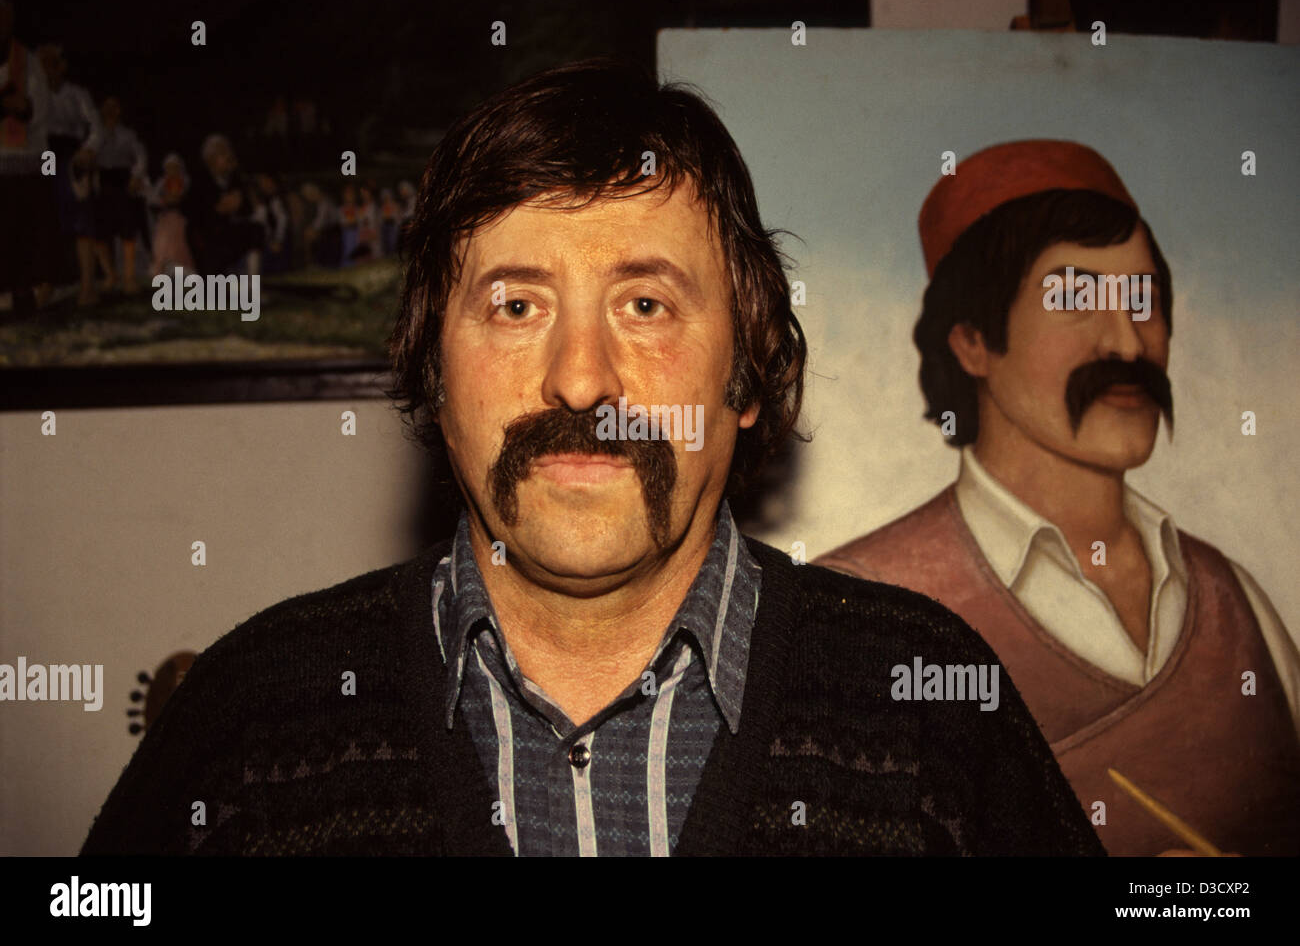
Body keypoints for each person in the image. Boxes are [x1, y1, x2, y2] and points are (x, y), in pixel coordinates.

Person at [81, 61, 1100, 857]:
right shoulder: (252, 718)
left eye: (645, 305)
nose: (579, 381)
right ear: (436, 372)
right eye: (515, 305)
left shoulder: (928, 707)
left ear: (746, 377)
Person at [817, 140, 1300, 856]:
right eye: (1077, 299)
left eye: (1143, 300)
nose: (1128, 343)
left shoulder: (1238, 603)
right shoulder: (851, 610)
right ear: (973, 340)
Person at [0, 0, 55, 314]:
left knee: (21, 230)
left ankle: (24, 293)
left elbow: (39, 108)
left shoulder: (28, 61)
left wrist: (25, 108)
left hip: (24, 161)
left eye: (5, 17)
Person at [36, 42, 99, 301]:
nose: (47, 69)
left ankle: (87, 286)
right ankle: (46, 284)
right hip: (45, 153)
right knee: (47, 216)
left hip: (73, 154)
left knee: (81, 216)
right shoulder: (36, 95)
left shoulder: (77, 94)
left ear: (61, 66)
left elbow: (95, 126)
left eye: (52, 63)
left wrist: (88, 150)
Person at [184, 133, 263, 276]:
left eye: (228, 152)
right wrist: (217, 209)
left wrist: (239, 204)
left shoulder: (234, 178)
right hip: (206, 238)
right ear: (210, 159)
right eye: (222, 153)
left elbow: (247, 209)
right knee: (212, 280)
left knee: (256, 231)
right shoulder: (199, 180)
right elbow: (193, 213)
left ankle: (252, 284)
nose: (228, 157)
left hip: (226, 234)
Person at [91, 95, 148, 294]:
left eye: (114, 106)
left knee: (128, 232)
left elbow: (140, 156)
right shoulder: (94, 134)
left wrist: (136, 175)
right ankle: (110, 274)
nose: (110, 110)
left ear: (119, 110)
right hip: (103, 182)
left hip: (124, 181)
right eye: (106, 106)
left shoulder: (128, 135)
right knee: (99, 233)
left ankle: (129, 277)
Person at [147, 152, 194, 277]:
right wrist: (164, 200)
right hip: (165, 218)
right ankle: (162, 268)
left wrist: (179, 199)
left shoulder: (186, 181)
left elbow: (190, 199)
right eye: (169, 167)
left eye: (175, 167)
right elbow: (153, 198)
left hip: (181, 217)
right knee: (163, 243)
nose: (172, 170)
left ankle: (182, 269)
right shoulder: (162, 182)